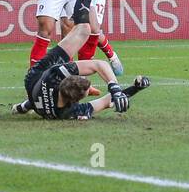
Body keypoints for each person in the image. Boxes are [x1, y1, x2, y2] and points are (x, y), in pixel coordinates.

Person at [13, 21, 150, 120]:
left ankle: (24, 106)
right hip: (36, 96)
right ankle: (24, 106)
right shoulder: (68, 113)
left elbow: (99, 67)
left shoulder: (54, 75)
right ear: (75, 99)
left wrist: (117, 90)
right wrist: (135, 88)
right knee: (85, 29)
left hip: (35, 78)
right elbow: (105, 102)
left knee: (83, 30)